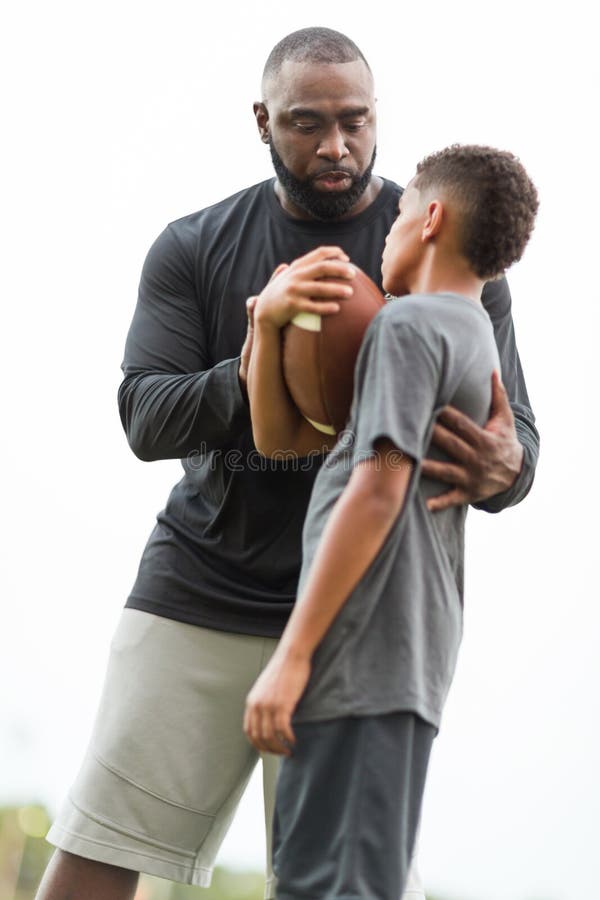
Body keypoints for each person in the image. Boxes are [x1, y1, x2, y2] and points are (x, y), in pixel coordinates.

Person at [36, 27, 539, 900]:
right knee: (95, 852)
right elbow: (146, 417)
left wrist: (506, 464)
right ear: (263, 121)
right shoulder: (194, 245)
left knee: (341, 882)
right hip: (203, 589)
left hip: (358, 619)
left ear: (378, 116)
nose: (336, 145)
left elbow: (506, 443)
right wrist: (259, 343)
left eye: (356, 121)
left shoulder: (444, 255)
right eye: (308, 123)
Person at [243, 144, 539, 899]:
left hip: (361, 651)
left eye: (399, 214)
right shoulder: (470, 332)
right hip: (404, 653)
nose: (388, 230)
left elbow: (377, 489)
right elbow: (290, 442)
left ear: (431, 219)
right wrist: (266, 331)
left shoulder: (408, 328)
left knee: (325, 883)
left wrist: (293, 655)